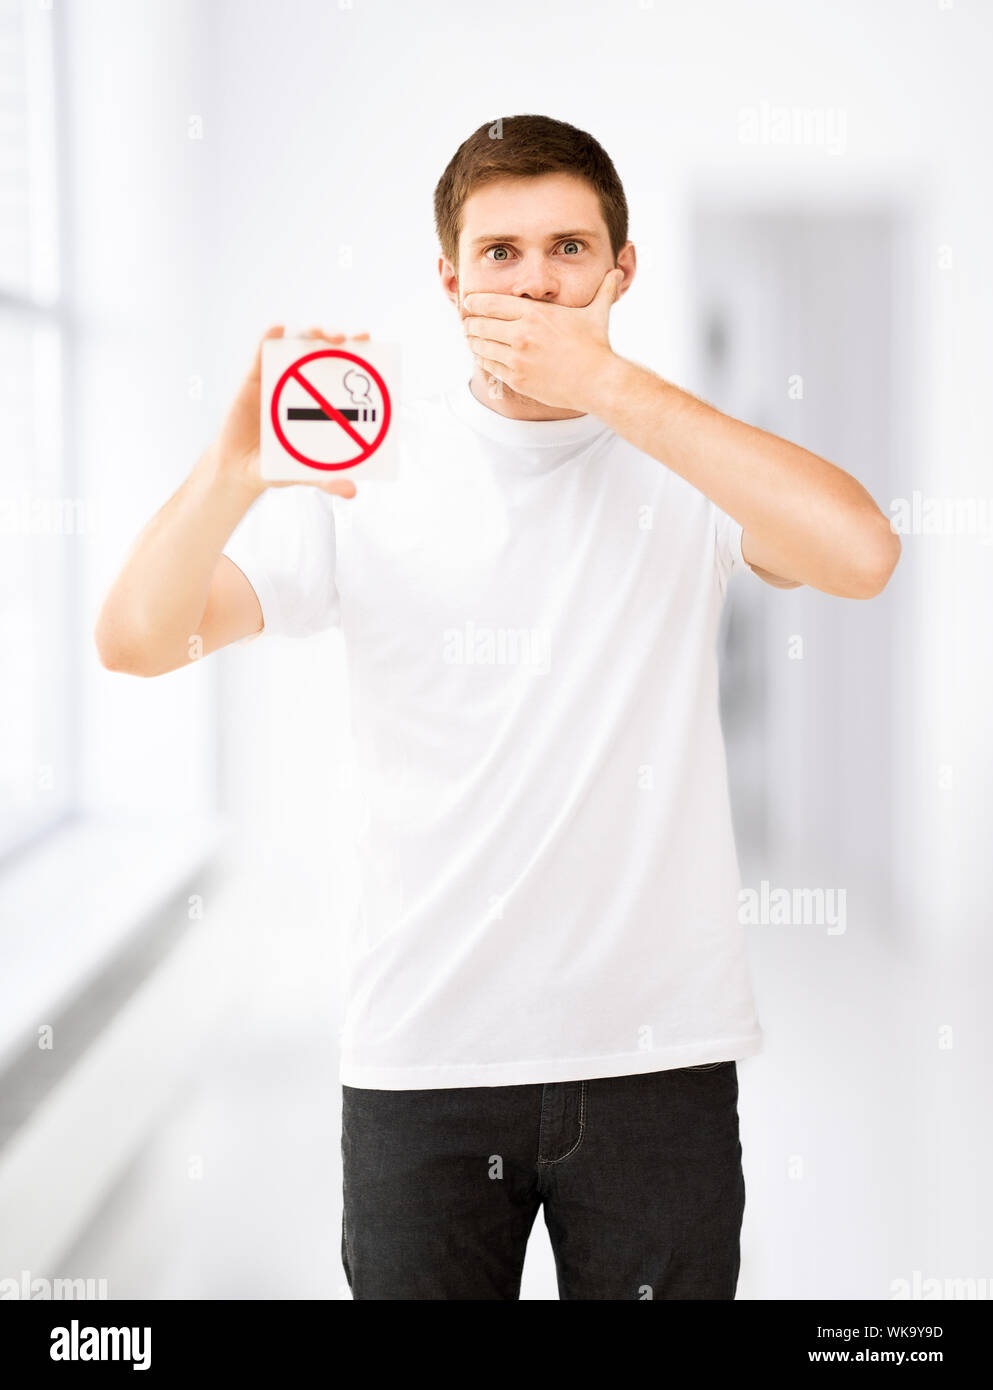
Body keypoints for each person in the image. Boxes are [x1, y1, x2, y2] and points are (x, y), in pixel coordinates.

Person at [94, 114, 900, 1300]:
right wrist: (228, 471)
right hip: (422, 1063)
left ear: (622, 271)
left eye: (570, 249)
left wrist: (609, 387)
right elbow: (138, 637)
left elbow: (864, 553)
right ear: (449, 277)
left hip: (656, 1061)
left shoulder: (686, 464)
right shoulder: (367, 466)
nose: (535, 279)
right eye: (501, 252)